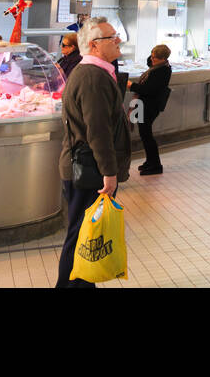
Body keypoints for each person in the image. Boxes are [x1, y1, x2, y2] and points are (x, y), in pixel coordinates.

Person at [55, 18, 131, 288]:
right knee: (79, 237)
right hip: (88, 170)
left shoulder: (97, 72)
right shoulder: (92, 78)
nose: (118, 40)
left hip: (87, 166)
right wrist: (109, 174)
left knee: (87, 237)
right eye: (113, 37)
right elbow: (97, 132)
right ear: (94, 45)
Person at [128, 44, 172, 176]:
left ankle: (155, 165)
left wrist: (132, 86)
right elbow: (149, 61)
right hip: (144, 105)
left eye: (155, 58)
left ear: (164, 58)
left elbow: (149, 90)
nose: (152, 60)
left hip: (149, 106)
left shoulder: (162, 71)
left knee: (147, 135)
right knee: (144, 134)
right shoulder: (158, 66)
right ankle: (150, 161)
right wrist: (153, 54)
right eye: (152, 57)